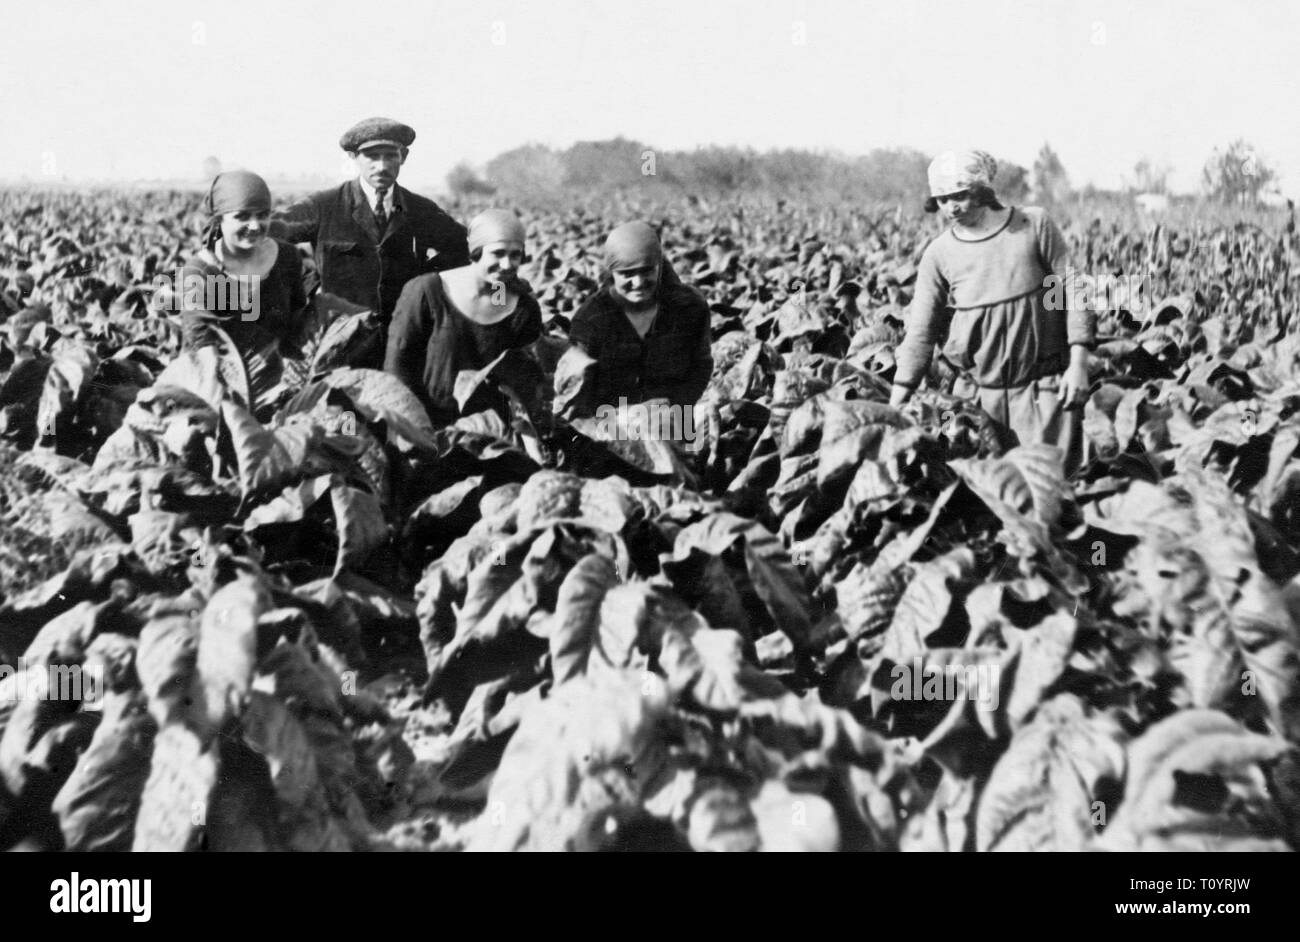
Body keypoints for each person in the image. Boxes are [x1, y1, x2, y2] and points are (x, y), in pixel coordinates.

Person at [889, 150, 1094, 471]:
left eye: (960, 195)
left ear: (981, 190)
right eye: (942, 200)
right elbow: (921, 334)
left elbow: (1073, 291)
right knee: (967, 494)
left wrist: (1079, 364)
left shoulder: (1032, 225)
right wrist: (895, 405)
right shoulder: (939, 254)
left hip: (1044, 393)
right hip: (969, 402)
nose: (951, 207)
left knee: (1051, 495)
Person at [270, 117, 470, 364]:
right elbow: (266, 237)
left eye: (390, 155)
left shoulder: (420, 210)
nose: (382, 165)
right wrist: (309, 286)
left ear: (403, 156)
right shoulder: (324, 206)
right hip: (339, 342)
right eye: (372, 156)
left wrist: (426, 281)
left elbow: (465, 247)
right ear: (354, 158)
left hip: (402, 342)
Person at [384, 209, 543, 426]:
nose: (507, 264)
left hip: (493, 435)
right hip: (431, 426)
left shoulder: (522, 308)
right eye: (497, 253)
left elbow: (525, 382)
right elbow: (398, 367)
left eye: (515, 255)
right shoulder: (427, 291)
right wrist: (413, 429)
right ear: (476, 251)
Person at [564, 222, 714, 425]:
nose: (638, 282)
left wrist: (677, 407)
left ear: (659, 267)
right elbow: (576, 392)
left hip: (676, 417)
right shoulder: (592, 320)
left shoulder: (689, 308)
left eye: (646, 271)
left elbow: (701, 365)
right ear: (611, 273)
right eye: (627, 274)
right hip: (613, 425)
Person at [177, 170, 307, 385]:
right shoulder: (199, 272)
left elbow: (299, 325)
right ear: (219, 220)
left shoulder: (287, 257)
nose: (255, 225)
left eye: (263, 214)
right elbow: (202, 347)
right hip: (216, 384)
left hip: (280, 380)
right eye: (242, 216)